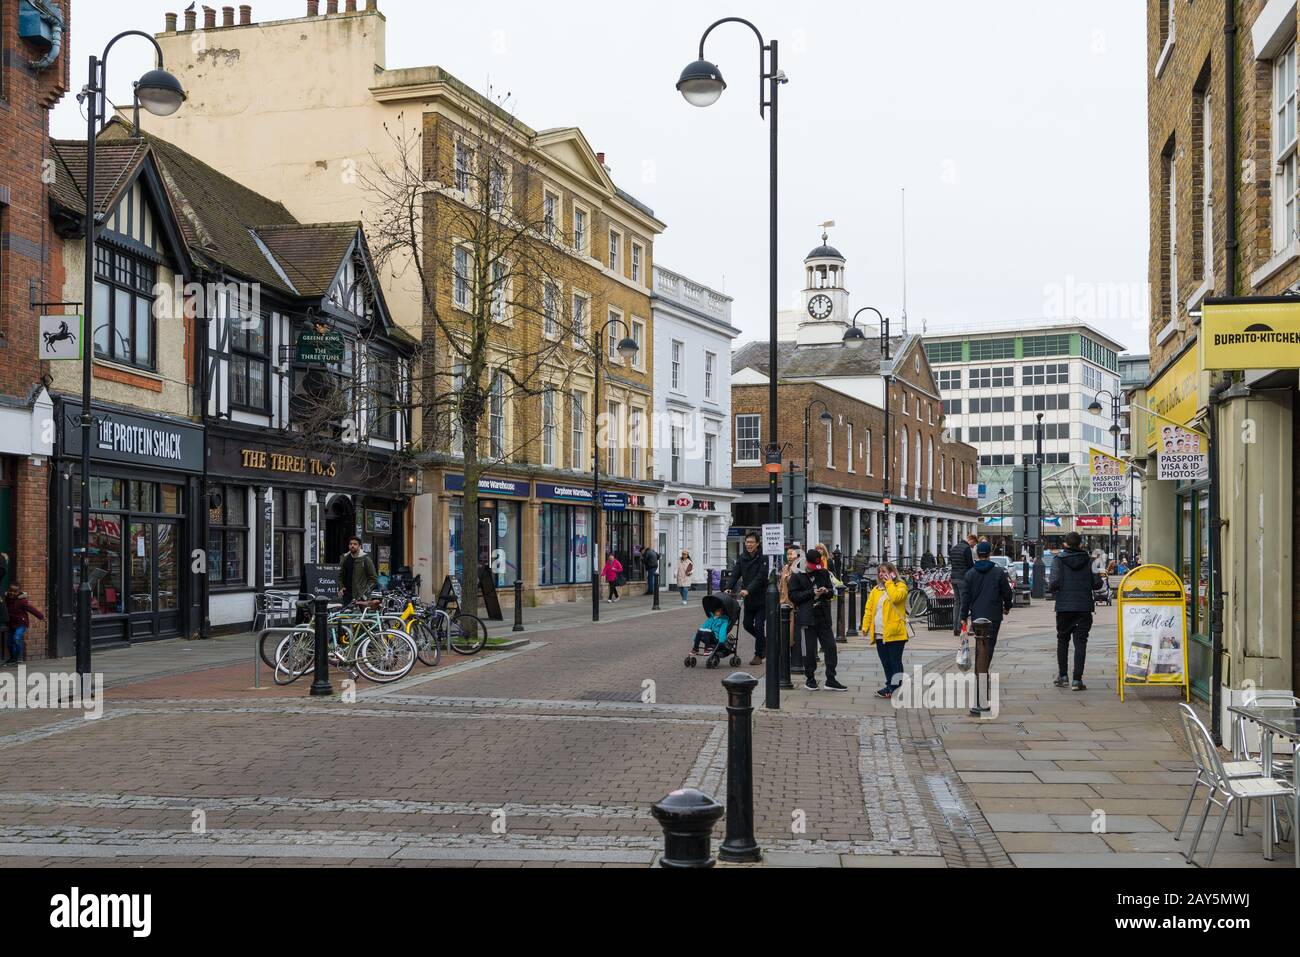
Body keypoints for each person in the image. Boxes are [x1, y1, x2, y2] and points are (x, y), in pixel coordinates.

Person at [960, 541, 1014, 717]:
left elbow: (965, 597)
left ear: (977, 554)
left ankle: (980, 672)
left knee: (980, 645)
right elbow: (1007, 592)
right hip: (994, 615)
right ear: (989, 553)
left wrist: (962, 617)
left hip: (977, 615)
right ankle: (983, 673)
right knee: (989, 646)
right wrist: (1007, 606)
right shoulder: (998, 572)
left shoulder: (970, 574)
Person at [1048, 531, 1103, 690]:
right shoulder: (1090, 561)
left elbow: (1053, 583)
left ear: (1065, 544)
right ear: (1080, 545)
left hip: (1064, 607)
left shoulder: (1058, 560)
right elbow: (1097, 585)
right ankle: (1077, 680)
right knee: (1080, 642)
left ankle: (1063, 675)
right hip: (1084, 607)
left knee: (1062, 640)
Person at [788, 549, 846, 691]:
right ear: (806, 562)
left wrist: (826, 592)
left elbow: (832, 590)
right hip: (807, 617)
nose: (816, 569)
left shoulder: (823, 572)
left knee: (831, 647)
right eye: (813, 566)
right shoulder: (797, 575)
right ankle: (810, 679)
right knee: (809, 650)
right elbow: (793, 596)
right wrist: (811, 593)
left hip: (823, 616)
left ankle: (831, 679)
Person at [861, 561, 909, 698]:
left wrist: (889, 583)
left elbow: (895, 598)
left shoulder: (901, 586)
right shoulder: (876, 590)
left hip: (895, 632)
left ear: (892, 573)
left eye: (884, 572)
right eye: (880, 572)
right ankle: (890, 685)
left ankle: (894, 686)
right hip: (879, 632)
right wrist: (865, 626)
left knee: (895, 661)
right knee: (886, 662)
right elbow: (869, 609)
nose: (881, 574)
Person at [726, 532, 768, 666]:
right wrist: (728, 587)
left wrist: (748, 589)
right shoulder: (742, 557)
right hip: (749, 599)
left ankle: (759, 654)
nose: (749, 544)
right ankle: (766, 642)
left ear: (757, 544)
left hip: (761, 597)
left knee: (760, 626)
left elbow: (760, 577)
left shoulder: (763, 558)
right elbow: (735, 573)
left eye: (751, 542)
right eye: (747, 542)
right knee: (747, 625)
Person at [3, 583, 44, 666]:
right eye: (11, 591)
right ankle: (12, 658)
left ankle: (18, 657)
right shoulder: (6, 600)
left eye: (15, 591)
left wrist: (41, 617)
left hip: (21, 623)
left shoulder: (22, 601)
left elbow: (32, 610)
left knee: (16, 638)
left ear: (19, 592)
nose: (12, 593)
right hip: (11, 624)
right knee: (9, 642)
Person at [948, 534, 976, 637]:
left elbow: (952, 563)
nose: (973, 546)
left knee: (956, 603)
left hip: (953, 577)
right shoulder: (966, 549)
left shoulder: (954, 548)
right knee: (963, 603)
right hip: (962, 578)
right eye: (974, 544)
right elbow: (970, 565)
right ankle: (960, 628)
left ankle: (955, 628)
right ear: (971, 540)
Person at [339, 537, 377, 606]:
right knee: (347, 616)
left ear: (359, 546)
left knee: (361, 616)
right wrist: (341, 587)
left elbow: (373, 579)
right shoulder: (345, 558)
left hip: (361, 596)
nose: (352, 546)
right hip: (347, 595)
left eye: (355, 544)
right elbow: (341, 575)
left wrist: (365, 592)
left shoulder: (366, 559)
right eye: (351, 544)